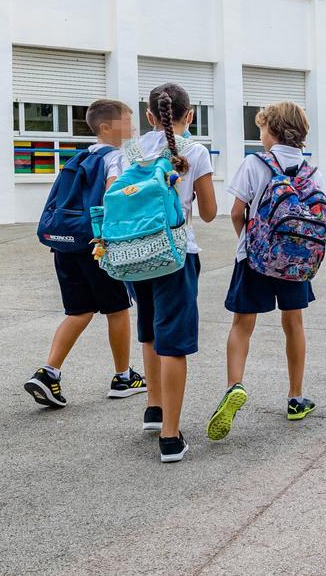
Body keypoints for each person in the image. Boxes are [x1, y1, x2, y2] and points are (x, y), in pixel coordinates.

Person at [109, 83, 217, 462]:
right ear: (189, 116)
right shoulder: (195, 151)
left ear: (150, 118)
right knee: (174, 341)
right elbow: (207, 211)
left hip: (134, 254)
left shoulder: (129, 152)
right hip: (176, 254)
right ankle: (170, 437)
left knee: (151, 330)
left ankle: (154, 409)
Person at [206, 102, 321, 443]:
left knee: (243, 325)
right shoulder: (309, 169)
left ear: (272, 131)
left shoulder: (254, 164)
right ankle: (296, 397)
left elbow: (236, 211)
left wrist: (249, 242)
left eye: (262, 129)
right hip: (295, 261)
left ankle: (234, 386)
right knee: (294, 323)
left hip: (254, 259)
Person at [24, 99, 144, 409]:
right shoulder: (115, 157)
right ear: (106, 127)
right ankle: (123, 377)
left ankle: (48, 372)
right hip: (97, 246)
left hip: (66, 245)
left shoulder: (79, 157)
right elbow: (114, 197)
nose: (132, 127)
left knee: (78, 312)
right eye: (126, 121)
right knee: (118, 309)